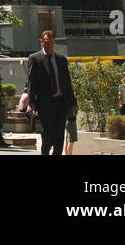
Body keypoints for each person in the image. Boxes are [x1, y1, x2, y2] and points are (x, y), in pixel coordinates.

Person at [26, 29, 77, 157]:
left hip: (60, 104)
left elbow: (67, 83)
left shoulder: (61, 60)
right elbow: (32, 82)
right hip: (45, 105)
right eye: (45, 42)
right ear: (41, 42)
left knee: (59, 138)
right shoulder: (35, 59)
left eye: (50, 41)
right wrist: (31, 103)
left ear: (54, 42)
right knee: (48, 136)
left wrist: (73, 103)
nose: (48, 44)